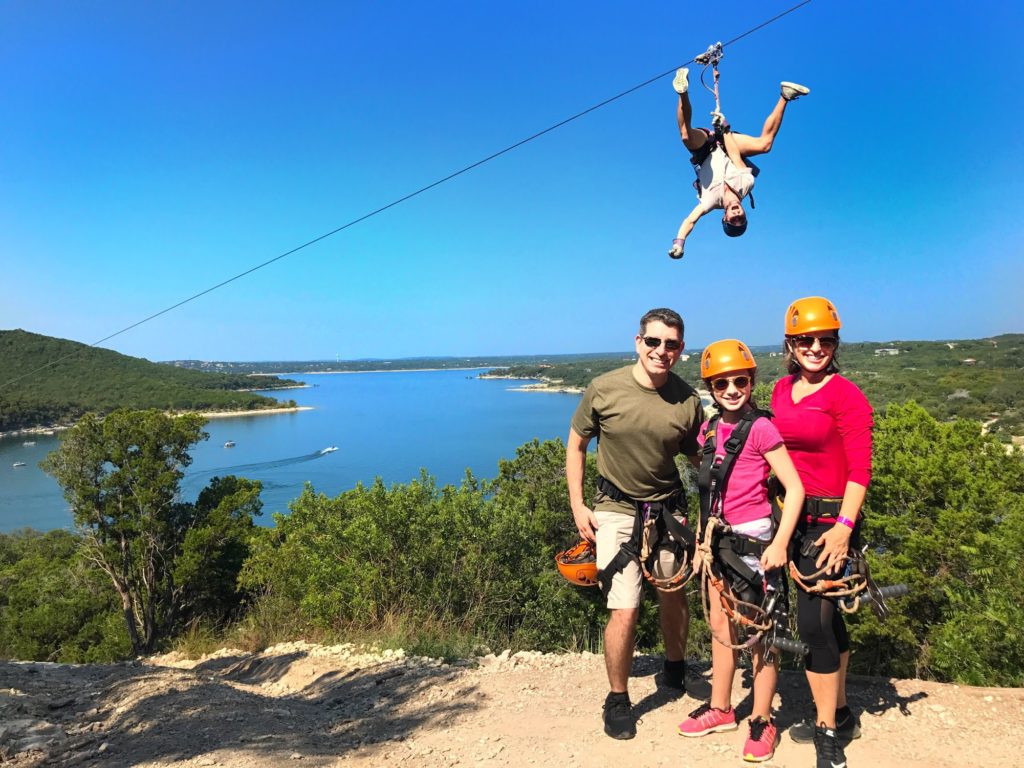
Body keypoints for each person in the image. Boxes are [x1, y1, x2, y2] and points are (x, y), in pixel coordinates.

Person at [566, 307, 704, 740]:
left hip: (667, 508)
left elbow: (700, 460)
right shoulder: (604, 389)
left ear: (680, 350)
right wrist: (577, 505)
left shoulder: (687, 401)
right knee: (624, 605)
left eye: (671, 344)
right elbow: (576, 446)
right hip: (616, 506)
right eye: (654, 341)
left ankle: (675, 669)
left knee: (672, 593)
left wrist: (716, 512)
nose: (661, 351)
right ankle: (618, 698)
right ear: (638, 342)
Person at [676, 339, 804, 763]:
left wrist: (781, 543)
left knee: (759, 634)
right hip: (718, 541)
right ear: (711, 388)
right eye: (722, 383)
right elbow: (707, 494)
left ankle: (763, 720)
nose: (732, 389)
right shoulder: (711, 430)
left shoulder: (761, 428)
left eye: (740, 381)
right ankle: (721, 708)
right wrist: (700, 543)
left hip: (753, 545)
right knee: (721, 629)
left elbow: (795, 488)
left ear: (751, 382)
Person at [770, 296, 873, 768]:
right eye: (805, 340)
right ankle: (843, 710)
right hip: (794, 519)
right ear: (790, 344)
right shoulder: (779, 390)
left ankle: (827, 729)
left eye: (825, 340)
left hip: (833, 522)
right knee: (827, 619)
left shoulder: (845, 395)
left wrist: (844, 529)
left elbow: (859, 470)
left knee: (812, 625)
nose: (816, 348)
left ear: (835, 344)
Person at [668, 67, 810, 259]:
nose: (737, 215)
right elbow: (735, 155)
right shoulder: (746, 184)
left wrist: (679, 243)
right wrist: (723, 128)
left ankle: (682, 91)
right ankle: (785, 95)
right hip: (727, 144)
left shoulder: (709, 201)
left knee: (686, 137)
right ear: (743, 213)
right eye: (741, 219)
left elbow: (690, 220)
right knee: (765, 145)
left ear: (724, 217)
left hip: (705, 149)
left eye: (733, 220)